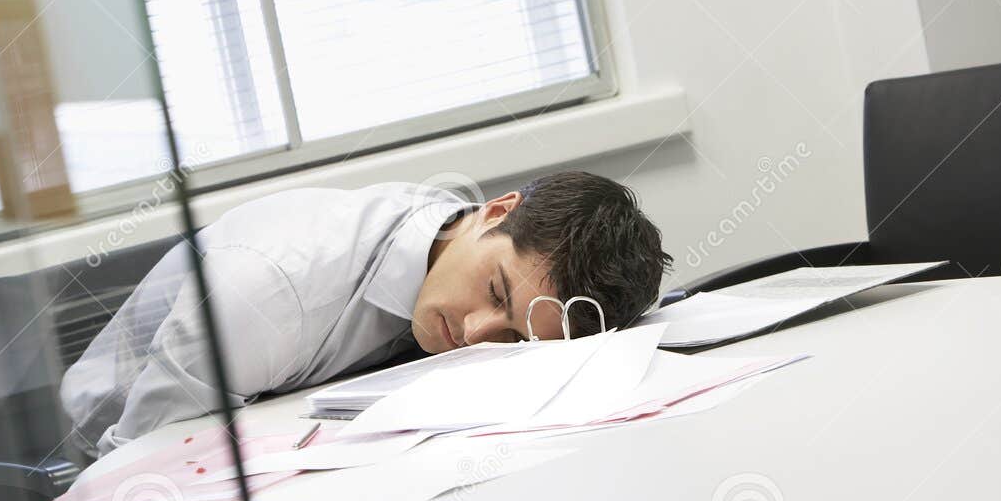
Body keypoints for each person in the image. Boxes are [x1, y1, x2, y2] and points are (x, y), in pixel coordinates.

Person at [60, 170, 669, 457]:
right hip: (106, 454)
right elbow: (140, 475)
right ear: (496, 211)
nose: (479, 335)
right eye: (497, 292)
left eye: (514, 336)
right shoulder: (263, 294)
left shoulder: (448, 231)